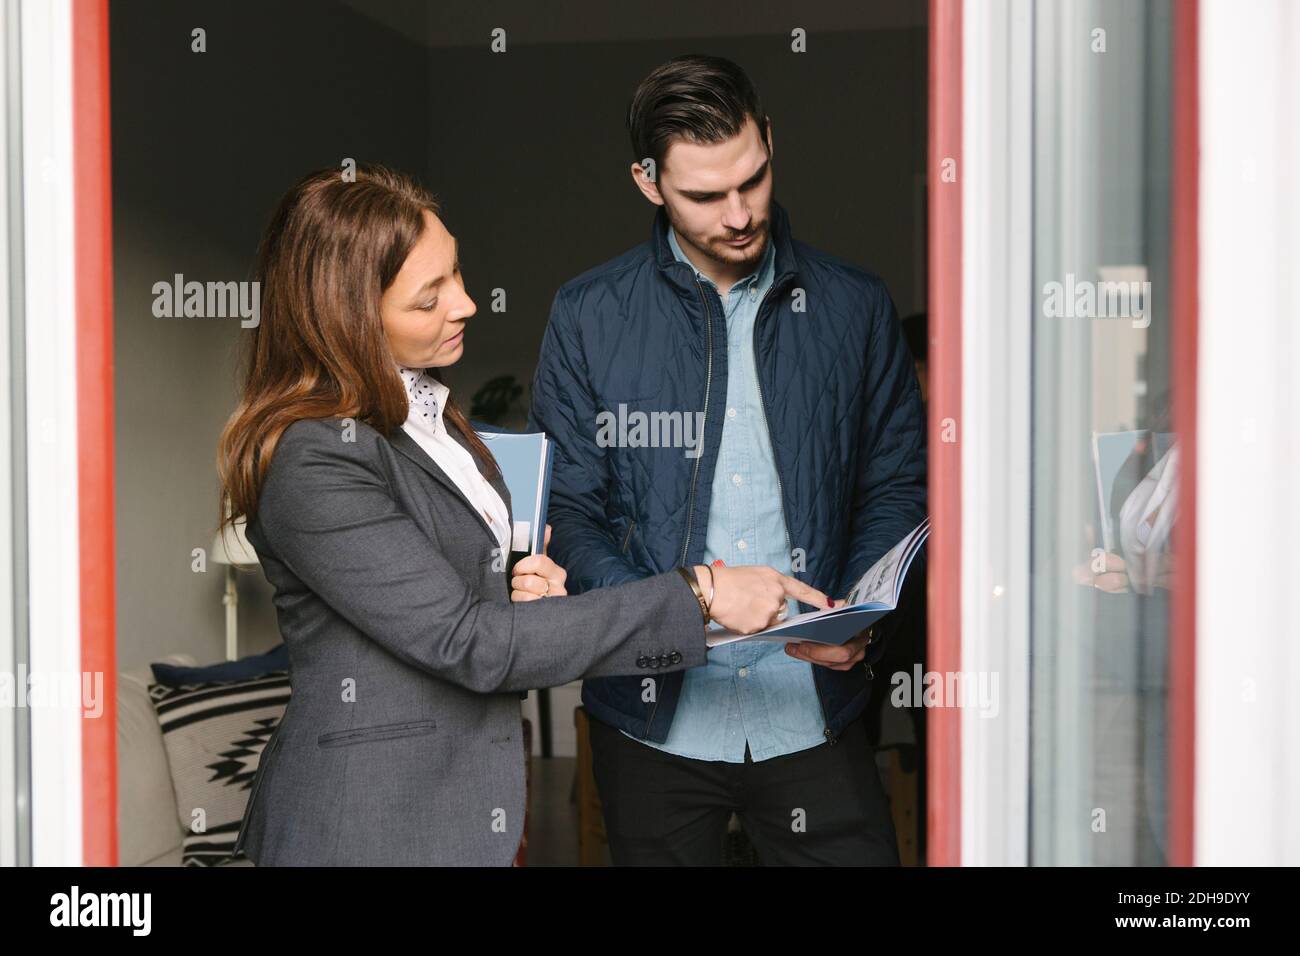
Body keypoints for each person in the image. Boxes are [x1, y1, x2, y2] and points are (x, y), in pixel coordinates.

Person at [218, 163, 826, 866]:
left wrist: (518, 592)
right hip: (367, 827)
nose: (467, 304)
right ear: (348, 320)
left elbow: (465, 605)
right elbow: (467, 643)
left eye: (457, 274)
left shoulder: (436, 421)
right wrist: (701, 593)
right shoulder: (311, 457)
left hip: (460, 814)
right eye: (428, 298)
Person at [528, 55, 927, 865]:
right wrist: (687, 609)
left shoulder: (855, 305)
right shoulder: (587, 315)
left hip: (817, 709)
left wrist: (862, 619)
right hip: (652, 723)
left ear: (770, 140)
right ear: (647, 182)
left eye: (753, 178)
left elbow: (895, 487)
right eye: (704, 197)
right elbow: (570, 512)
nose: (740, 214)